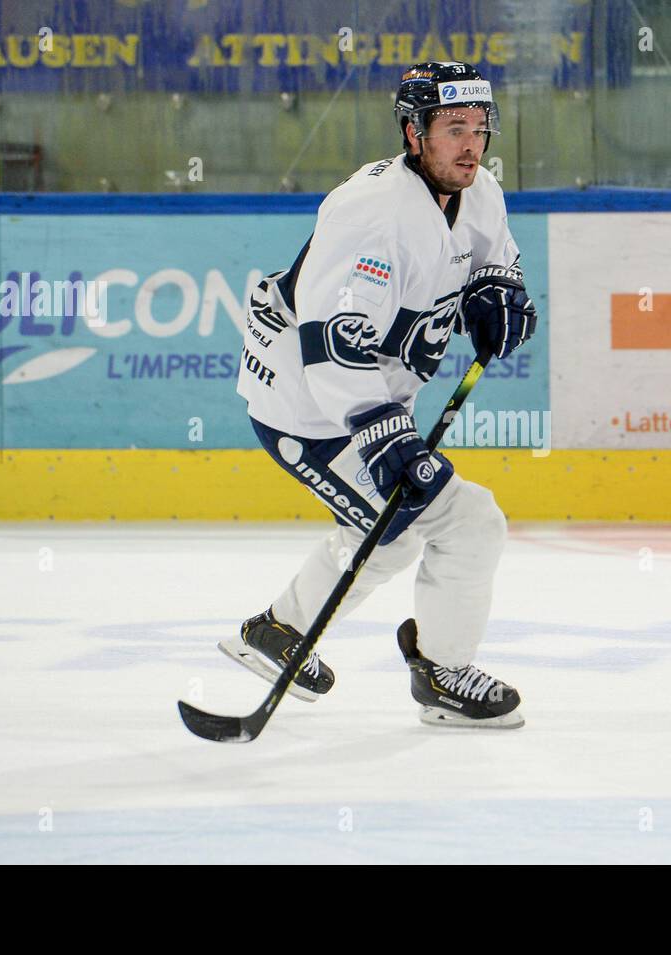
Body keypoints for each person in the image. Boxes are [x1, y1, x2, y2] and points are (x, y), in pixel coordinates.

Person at [221, 61, 537, 729]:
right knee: (463, 519)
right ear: (414, 132)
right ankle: (442, 671)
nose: (472, 145)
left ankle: (279, 632)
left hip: (374, 399)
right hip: (307, 406)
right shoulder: (370, 213)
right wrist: (380, 427)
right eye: (454, 129)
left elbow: (496, 264)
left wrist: (500, 295)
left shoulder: (480, 194)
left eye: (480, 128)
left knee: (392, 528)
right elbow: (330, 343)